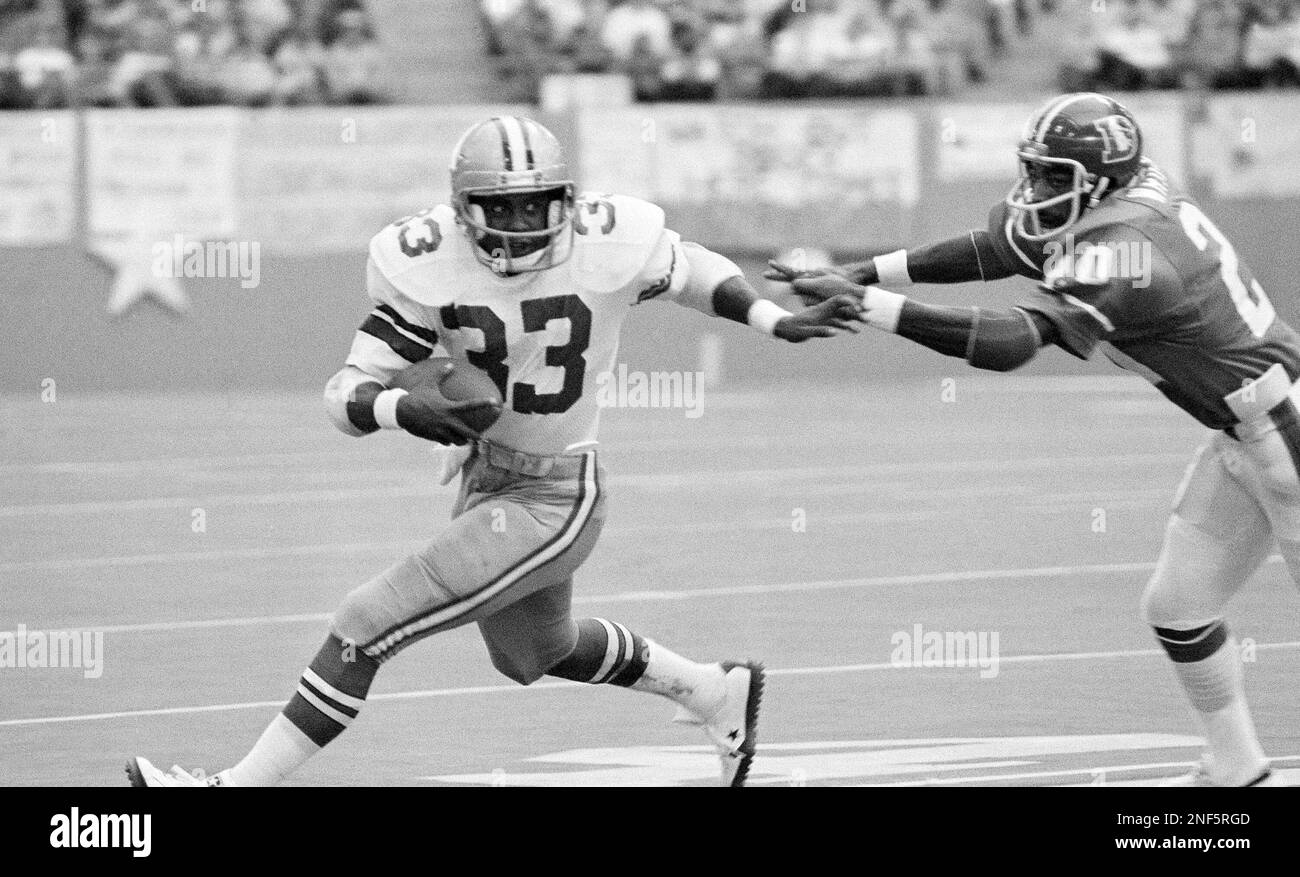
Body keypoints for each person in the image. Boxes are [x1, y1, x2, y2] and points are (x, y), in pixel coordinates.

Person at [128, 116, 861, 788]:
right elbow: (345, 391)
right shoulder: (427, 263)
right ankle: (710, 689)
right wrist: (402, 408)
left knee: (366, 621)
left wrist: (772, 320)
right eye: (501, 206)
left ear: (565, 201)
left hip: (556, 495)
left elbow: (692, 268)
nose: (521, 222)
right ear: (463, 209)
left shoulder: (610, 240)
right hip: (493, 478)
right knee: (531, 653)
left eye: (537, 203)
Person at [774, 92, 1298, 787]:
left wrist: (869, 305)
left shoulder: (1128, 248)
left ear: (1099, 181)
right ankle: (1237, 766)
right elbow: (998, 248)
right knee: (1178, 608)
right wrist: (862, 271)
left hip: (1286, 434)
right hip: (1244, 432)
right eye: (1036, 171)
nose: (1036, 190)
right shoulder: (1116, 202)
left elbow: (1011, 341)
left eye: (1054, 178)